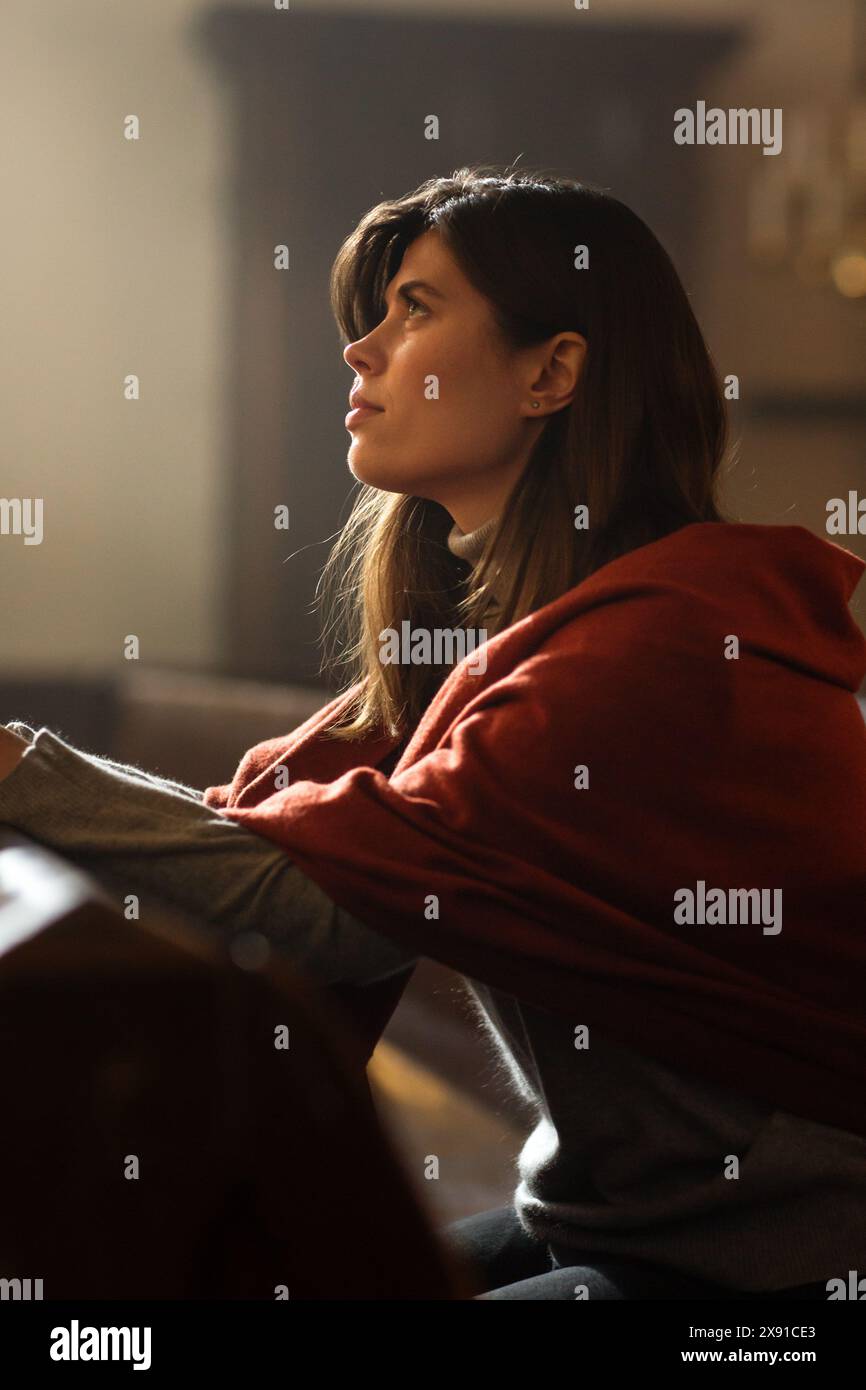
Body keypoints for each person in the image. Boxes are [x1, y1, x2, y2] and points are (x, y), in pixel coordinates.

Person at [2, 164, 865, 1300]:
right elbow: (286, 843)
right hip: (607, 1215)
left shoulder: (650, 649)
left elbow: (330, 915)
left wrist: (19, 771)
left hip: (774, 1260)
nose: (362, 347)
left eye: (415, 310)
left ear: (551, 372)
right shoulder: (504, 634)